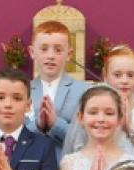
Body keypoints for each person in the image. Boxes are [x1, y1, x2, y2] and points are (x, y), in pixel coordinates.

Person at [25, 20, 90, 156]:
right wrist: (38, 125)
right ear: (32, 52)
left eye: (58, 50)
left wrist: (55, 123)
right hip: (29, 168)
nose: (51, 56)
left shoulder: (83, 91)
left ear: (69, 54)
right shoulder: (24, 90)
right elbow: (16, 136)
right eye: (44, 49)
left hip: (66, 166)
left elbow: (84, 138)